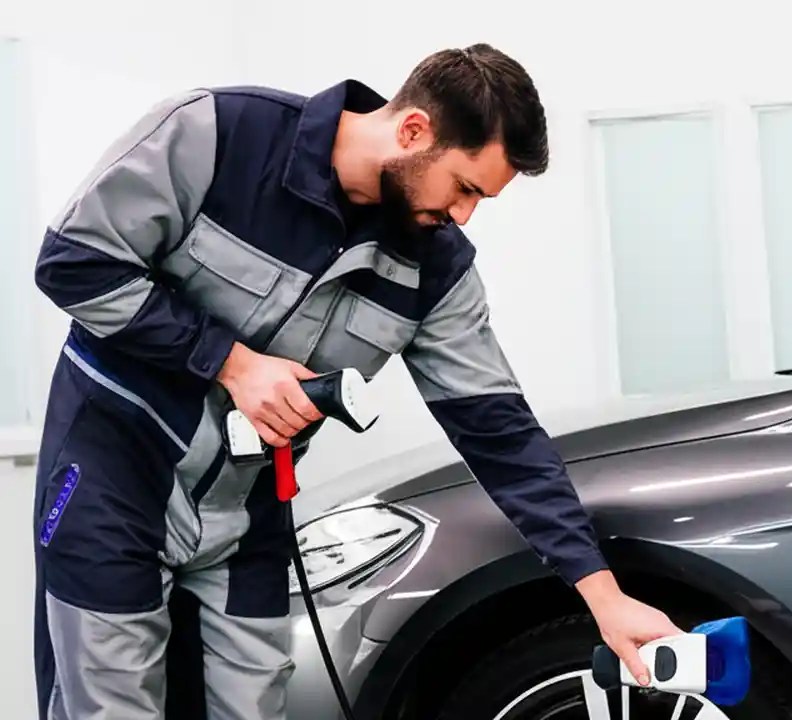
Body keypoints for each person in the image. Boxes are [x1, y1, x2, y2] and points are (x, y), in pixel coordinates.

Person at [30, 43, 681, 719]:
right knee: (109, 707)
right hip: (114, 477)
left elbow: (501, 434)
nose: (464, 216)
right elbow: (74, 262)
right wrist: (232, 362)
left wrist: (603, 596)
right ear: (411, 132)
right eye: (464, 187)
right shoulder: (218, 136)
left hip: (247, 515)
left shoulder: (437, 269)